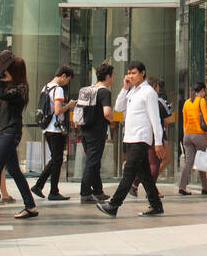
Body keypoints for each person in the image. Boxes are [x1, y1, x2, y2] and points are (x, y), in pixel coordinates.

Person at [96, 61, 164, 217]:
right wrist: (125, 87)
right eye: (129, 73)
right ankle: (156, 205)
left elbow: (155, 119)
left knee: (129, 172)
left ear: (143, 73)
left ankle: (114, 205)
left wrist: (158, 142)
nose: (131, 76)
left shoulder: (149, 92)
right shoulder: (132, 92)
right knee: (145, 174)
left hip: (141, 138)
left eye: (134, 73)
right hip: (130, 137)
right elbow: (119, 108)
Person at [0, 53, 39, 220]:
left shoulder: (20, 87)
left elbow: (2, 95)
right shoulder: (13, 86)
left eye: (8, 69)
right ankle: (31, 206)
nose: (5, 71)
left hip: (10, 132)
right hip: (5, 131)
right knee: (14, 170)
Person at [32, 65, 75, 201]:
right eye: (68, 79)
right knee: (57, 159)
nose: (67, 82)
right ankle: (53, 191)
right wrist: (69, 105)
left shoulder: (45, 87)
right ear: (63, 76)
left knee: (55, 158)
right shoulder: (58, 90)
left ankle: (40, 186)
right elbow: (57, 110)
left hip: (47, 128)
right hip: (56, 128)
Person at [78, 63, 114, 203]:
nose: (112, 79)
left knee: (94, 162)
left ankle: (98, 191)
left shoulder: (87, 89)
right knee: (92, 162)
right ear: (107, 76)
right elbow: (107, 112)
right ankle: (85, 193)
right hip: (96, 132)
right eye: (112, 76)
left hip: (84, 130)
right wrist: (111, 121)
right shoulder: (104, 92)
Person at [177, 82, 207, 195]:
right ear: (202, 90)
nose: (205, 93)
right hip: (198, 134)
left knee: (189, 162)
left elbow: (184, 121)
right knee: (202, 160)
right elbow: (206, 117)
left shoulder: (186, 102)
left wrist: (185, 134)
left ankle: (182, 187)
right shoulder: (201, 100)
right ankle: (204, 187)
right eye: (204, 91)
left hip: (187, 135)